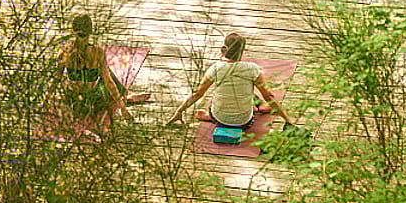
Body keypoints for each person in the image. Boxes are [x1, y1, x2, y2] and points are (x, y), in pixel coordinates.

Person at [166, 33, 294, 127]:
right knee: (248, 92)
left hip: (220, 118)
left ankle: (210, 117)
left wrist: (179, 111)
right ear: (242, 51)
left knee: (216, 95)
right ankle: (260, 107)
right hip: (245, 121)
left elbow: (198, 94)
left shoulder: (215, 69)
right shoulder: (252, 69)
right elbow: (269, 96)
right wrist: (288, 120)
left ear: (224, 49)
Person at [60, 14, 149, 124]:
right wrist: (123, 109)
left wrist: (44, 103)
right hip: (92, 104)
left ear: (73, 29)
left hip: (74, 103)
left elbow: (56, 79)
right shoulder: (98, 52)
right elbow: (109, 83)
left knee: (102, 72)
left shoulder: (65, 51)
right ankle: (126, 95)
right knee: (105, 74)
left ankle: (126, 94)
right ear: (90, 31)